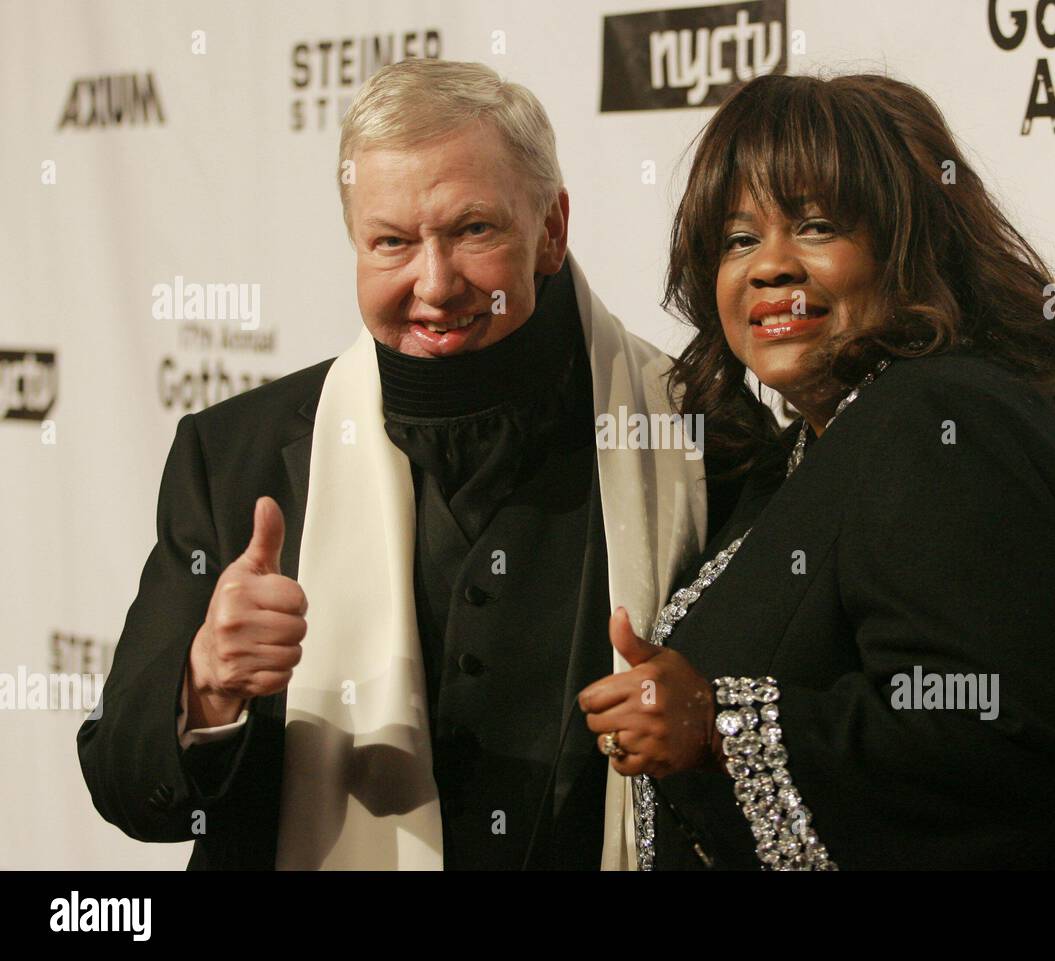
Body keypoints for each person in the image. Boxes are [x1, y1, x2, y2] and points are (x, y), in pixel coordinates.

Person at [76, 59, 734, 870]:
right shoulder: (236, 455)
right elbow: (122, 783)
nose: (434, 282)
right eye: (391, 242)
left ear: (552, 230)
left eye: (472, 230)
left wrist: (708, 726)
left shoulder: (702, 432)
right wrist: (205, 688)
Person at [578, 72, 1055, 870]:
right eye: (739, 239)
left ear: (908, 246)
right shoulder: (830, 438)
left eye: (814, 226)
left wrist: (716, 724)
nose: (768, 267)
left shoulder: (943, 421)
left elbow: (999, 733)